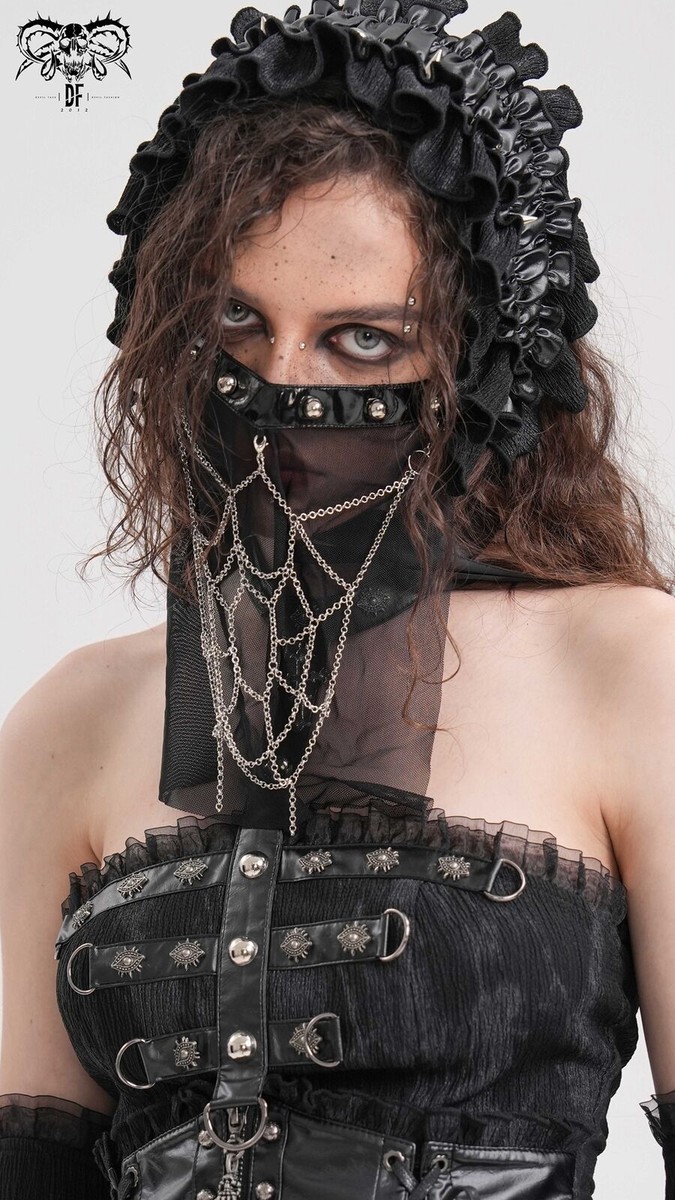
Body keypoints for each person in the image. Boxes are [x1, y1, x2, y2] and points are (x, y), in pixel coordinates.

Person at [1, 0, 674, 1197]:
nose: (280, 394)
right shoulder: (72, 719)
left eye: (362, 342)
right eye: (237, 321)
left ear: (475, 359)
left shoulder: (630, 670)